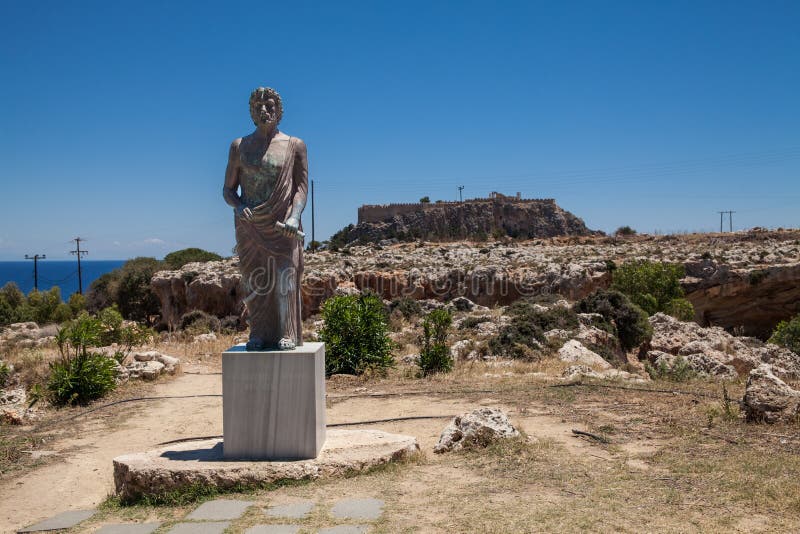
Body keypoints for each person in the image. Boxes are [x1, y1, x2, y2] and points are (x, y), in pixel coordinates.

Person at [223, 87, 308, 350]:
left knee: (284, 279)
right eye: (257, 106)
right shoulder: (239, 146)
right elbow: (228, 190)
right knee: (255, 281)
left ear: (279, 110)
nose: (263, 110)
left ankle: (287, 332)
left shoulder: (295, 145)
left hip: (283, 228)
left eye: (269, 105)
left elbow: (301, 189)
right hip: (250, 227)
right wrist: (238, 206)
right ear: (250, 112)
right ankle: (258, 333)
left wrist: (294, 216)